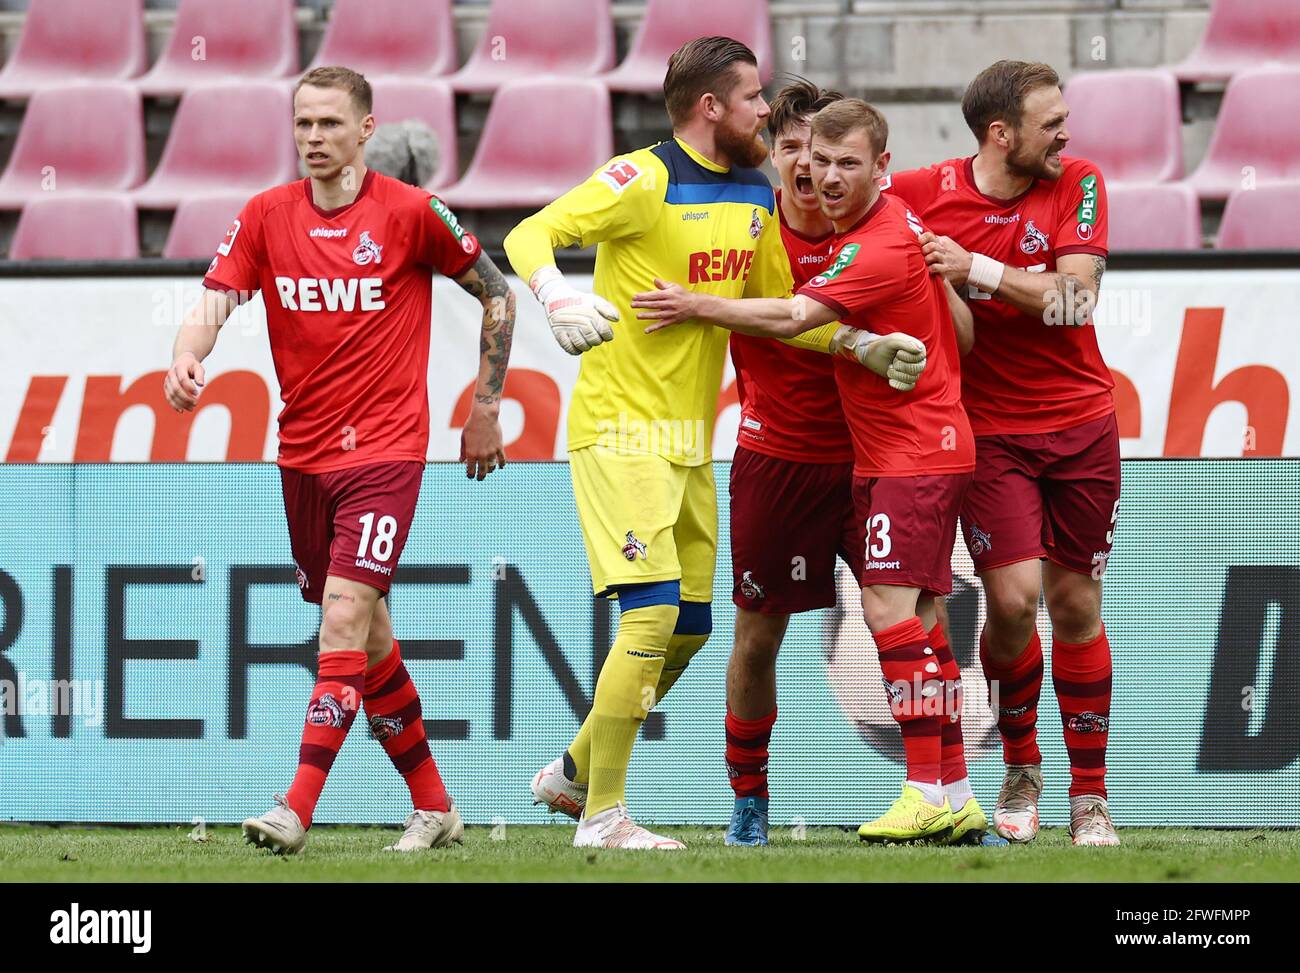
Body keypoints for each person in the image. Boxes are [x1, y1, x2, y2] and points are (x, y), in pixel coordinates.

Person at [504, 38, 920, 850]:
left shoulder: (754, 198)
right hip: (620, 432)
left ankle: (574, 769)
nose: (769, 112)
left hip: (691, 447)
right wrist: (557, 299)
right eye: (755, 98)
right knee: (653, 614)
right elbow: (531, 234)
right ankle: (604, 816)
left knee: (691, 625)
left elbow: (780, 311)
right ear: (712, 109)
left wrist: (855, 346)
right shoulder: (644, 178)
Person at [162, 65, 516, 855]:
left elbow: (498, 291)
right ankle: (436, 805)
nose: (314, 139)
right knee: (373, 637)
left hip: (388, 452)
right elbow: (213, 301)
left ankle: (296, 806)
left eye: (329, 124)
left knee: (344, 617)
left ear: (365, 129)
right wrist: (186, 356)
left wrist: (485, 404)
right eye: (303, 125)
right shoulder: (264, 216)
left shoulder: (411, 213)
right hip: (303, 457)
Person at [634, 98, 985, 845]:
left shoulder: (882, 231)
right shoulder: (747, 232)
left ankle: (944, 788)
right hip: (783, 460)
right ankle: (751, 799)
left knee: (916, 618)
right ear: (776, 155)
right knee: (759, 637)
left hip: (885, 456)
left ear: (869, 166)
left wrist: (939, 277)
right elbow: (793, 319)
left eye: (829, 156)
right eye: (797, 150)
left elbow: (958, 335)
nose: (812, 168)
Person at [885, 60, 1119, 846]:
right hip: (988, 437)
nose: (1066, 133)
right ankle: (1022, 768)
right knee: (1015, 603)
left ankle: (1091, 798)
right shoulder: (923, 192)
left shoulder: (1078, 180)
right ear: (1000, 133)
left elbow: (1074, 299)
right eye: (1050, 122)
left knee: (1076, 604)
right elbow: (851, 204)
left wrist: (976, 268)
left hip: (1082, 425)